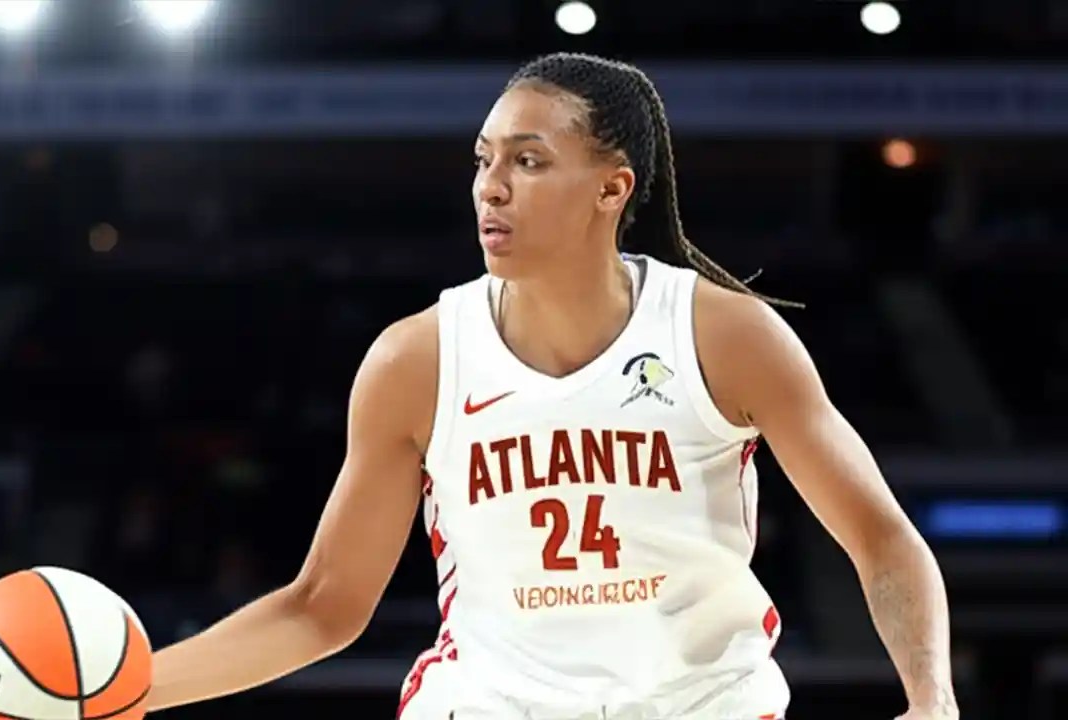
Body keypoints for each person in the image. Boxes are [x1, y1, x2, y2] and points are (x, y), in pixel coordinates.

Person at [145, 53, 958, 720]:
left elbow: (883, 540)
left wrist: (932, 701)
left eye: (528, 161)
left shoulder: (723, 336)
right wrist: (125, 694)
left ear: (613, 189)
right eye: (484, 159)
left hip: (702, 704)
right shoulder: (416, 361)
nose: (490, 186)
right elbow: (321, 606)